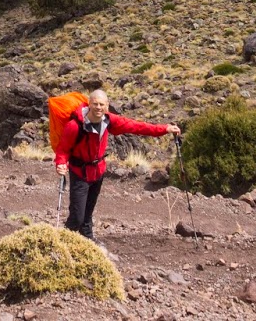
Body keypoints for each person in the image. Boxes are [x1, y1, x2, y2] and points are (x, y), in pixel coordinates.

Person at [53, 89, 179, 240]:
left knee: (87, 214)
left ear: (107, 105)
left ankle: (89, 244)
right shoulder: (75, 126)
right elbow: (63, 150)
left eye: (102, 104)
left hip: (98, 172)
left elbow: (137, 126)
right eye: (95, 104)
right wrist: (60, 164)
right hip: (79, 174)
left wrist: (165, 129)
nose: (98, 107)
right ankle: (62, 244)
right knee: (77, 217)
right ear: (89, 104)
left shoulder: (108, 120)